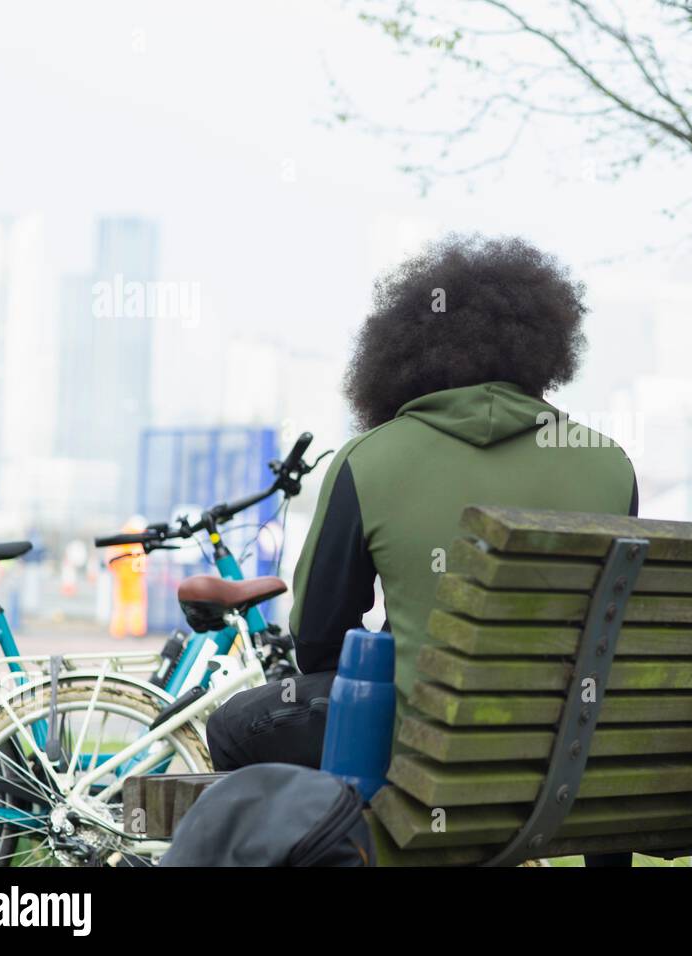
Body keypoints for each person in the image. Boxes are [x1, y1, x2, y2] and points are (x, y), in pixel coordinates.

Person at [206, 234, 638, 780]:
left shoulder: (368, 460)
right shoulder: (608, 464)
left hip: (419, 742)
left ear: (402, 353)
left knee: (231, 726)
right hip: (570, 747)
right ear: (545, 347)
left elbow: (318, 641)